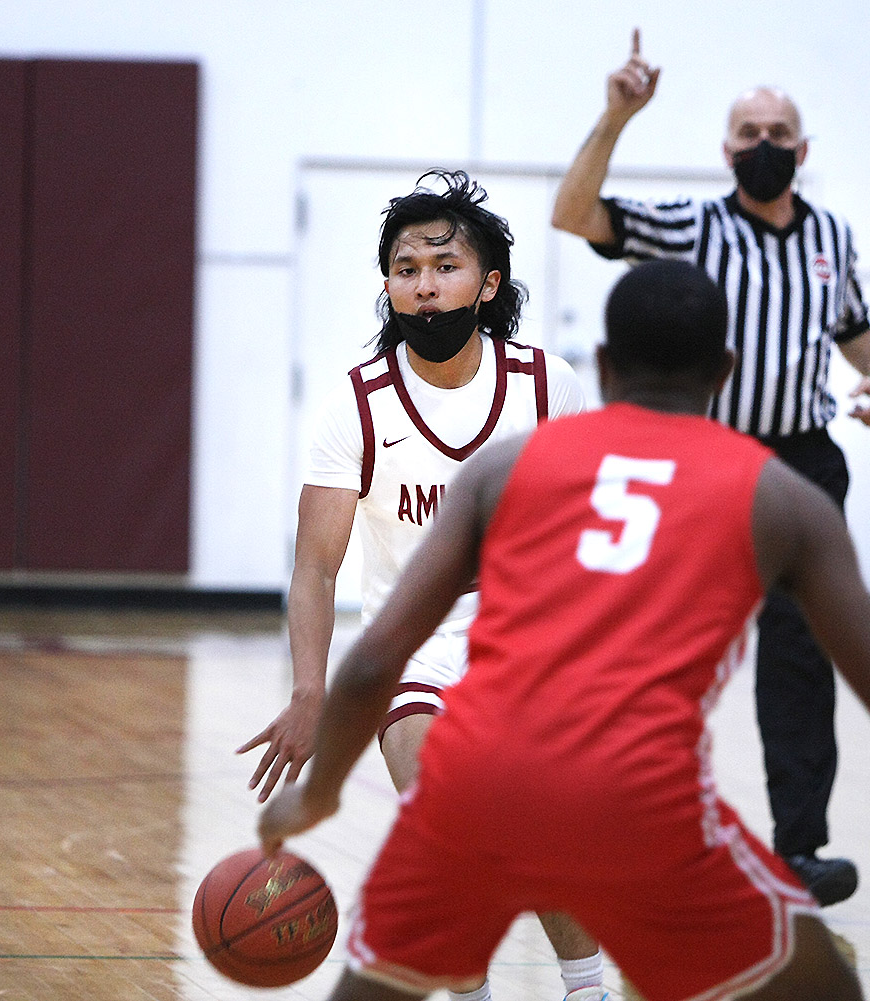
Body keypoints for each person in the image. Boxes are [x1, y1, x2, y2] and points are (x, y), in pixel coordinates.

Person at [258, 259, 870, 1001]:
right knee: (826, 986)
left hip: (471, 786)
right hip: (642, 798)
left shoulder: (505, 468)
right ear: (724, 372)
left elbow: (371, 666)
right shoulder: (781, 496)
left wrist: (317, 796)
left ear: (602, 367)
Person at [236, 170, 606, 1001]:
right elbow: (316, 568)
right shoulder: (358, 406)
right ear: (390, 288)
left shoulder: (549, 388)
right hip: (414, 650)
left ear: (489, 283)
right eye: (406, 269)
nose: (425, 283)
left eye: (444, 264)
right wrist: (308, 689)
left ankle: (588, 989)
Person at [550, 29, 870, 906]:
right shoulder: (692, 225)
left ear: (803, 150)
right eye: (750, 132)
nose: (766, 146)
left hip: (803, 468)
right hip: (704, 461)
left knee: (802, 652)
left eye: (780, 133)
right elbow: (573, 213)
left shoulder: (832, 239)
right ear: (726, 149)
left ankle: (798, 849)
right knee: (658, 642)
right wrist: (616, 115)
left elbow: (852, 328)